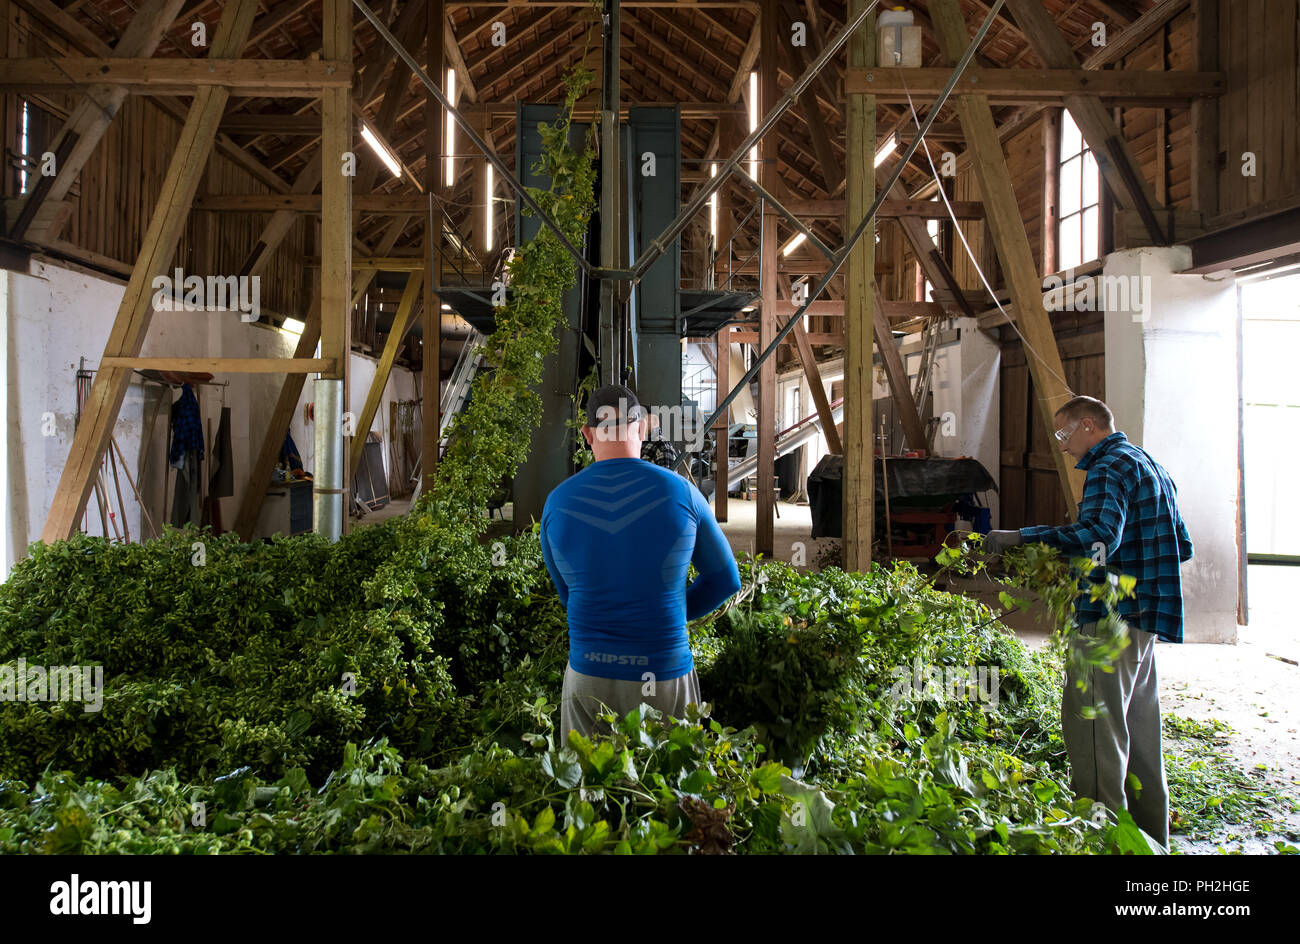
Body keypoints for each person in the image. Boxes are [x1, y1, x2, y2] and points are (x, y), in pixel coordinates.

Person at [983, 395, 1193, 850]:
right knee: (1138, 734)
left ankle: (1102, 842)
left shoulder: (1107, 467)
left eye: (1064, 435)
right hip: (1144, 620)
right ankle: (1150, 841)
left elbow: (1099, 534)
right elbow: (1183, 543)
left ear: (1090, 426)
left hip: (1109, 619)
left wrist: (1022, 537)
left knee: (1095, 733)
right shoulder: (1149, 464)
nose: (1063, 446)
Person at [540, 383, 741, 741]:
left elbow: (568, 596)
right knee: (670, 788)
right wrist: (671, 613)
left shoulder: (557, 503)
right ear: (644, 427)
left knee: (588, 790)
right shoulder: (681, 493)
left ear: (587, 435)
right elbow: (725, 579)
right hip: (663, 671)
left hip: (589, 675)